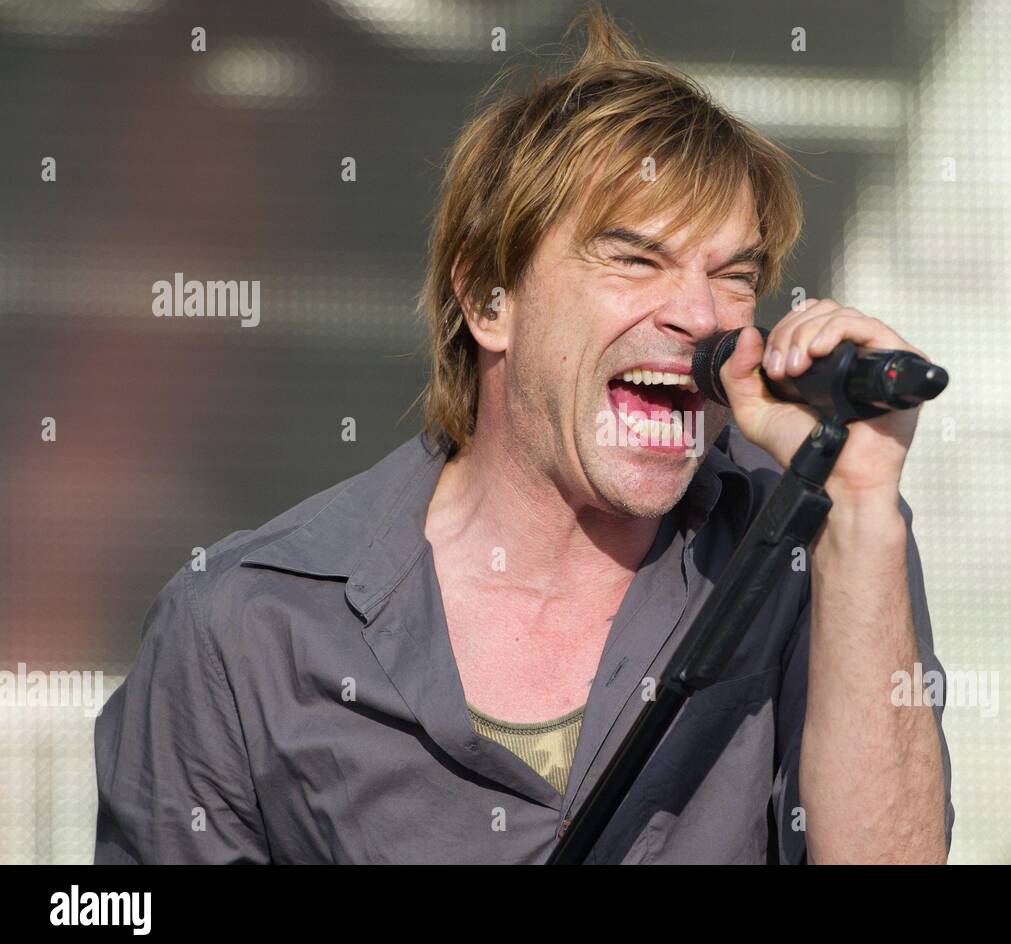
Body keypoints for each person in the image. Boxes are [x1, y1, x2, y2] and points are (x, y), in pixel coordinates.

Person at [94, 3, 954, 864]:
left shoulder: (815, 559)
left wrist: (864, 505)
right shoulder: (245, 628)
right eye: (635, 258)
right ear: (488, 300)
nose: (700, 315)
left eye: (734, 276)